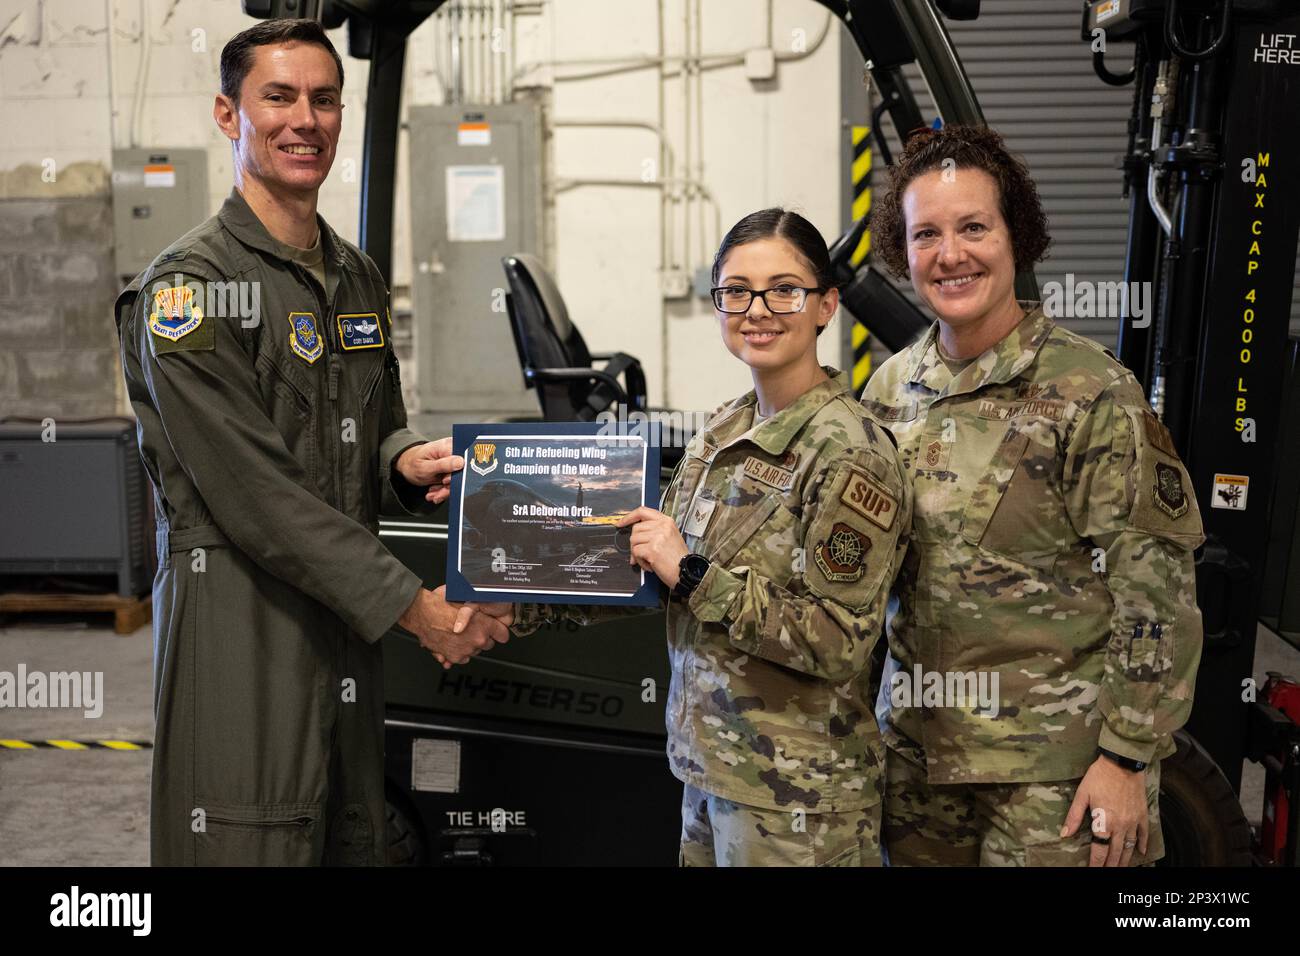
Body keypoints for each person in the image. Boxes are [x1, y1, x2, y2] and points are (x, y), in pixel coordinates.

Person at [113, 19, 505, 866]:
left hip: (343, 618)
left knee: (349, 833)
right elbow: (258, 494)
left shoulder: (354, 275)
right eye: (278, 97)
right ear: (229, 114)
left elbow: (370, 424)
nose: (306, 120)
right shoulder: (190, 291)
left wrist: (402, 458)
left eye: (324, 99)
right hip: (244, 624)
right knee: (252, 837)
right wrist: (419, 610)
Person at [464, 209, 911, 866]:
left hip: (799, 802)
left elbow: (836, 640)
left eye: (784, 289)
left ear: (826, 306)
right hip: (711, 773)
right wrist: (509, 598)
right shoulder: (722, 431)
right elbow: (643, 567)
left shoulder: (850, 454)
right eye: (736, 291)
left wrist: (694, 573)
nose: (758, 309)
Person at [861, 124, 1204, 867]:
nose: (951, 254)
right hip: (917, 763)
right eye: (927, 235)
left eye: (974, 227)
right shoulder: (890, 389)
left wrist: (1128, 758)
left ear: (1017, 234)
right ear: (903, 251)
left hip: (1056, 774)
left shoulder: (1091, 390)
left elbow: (1159, 591)